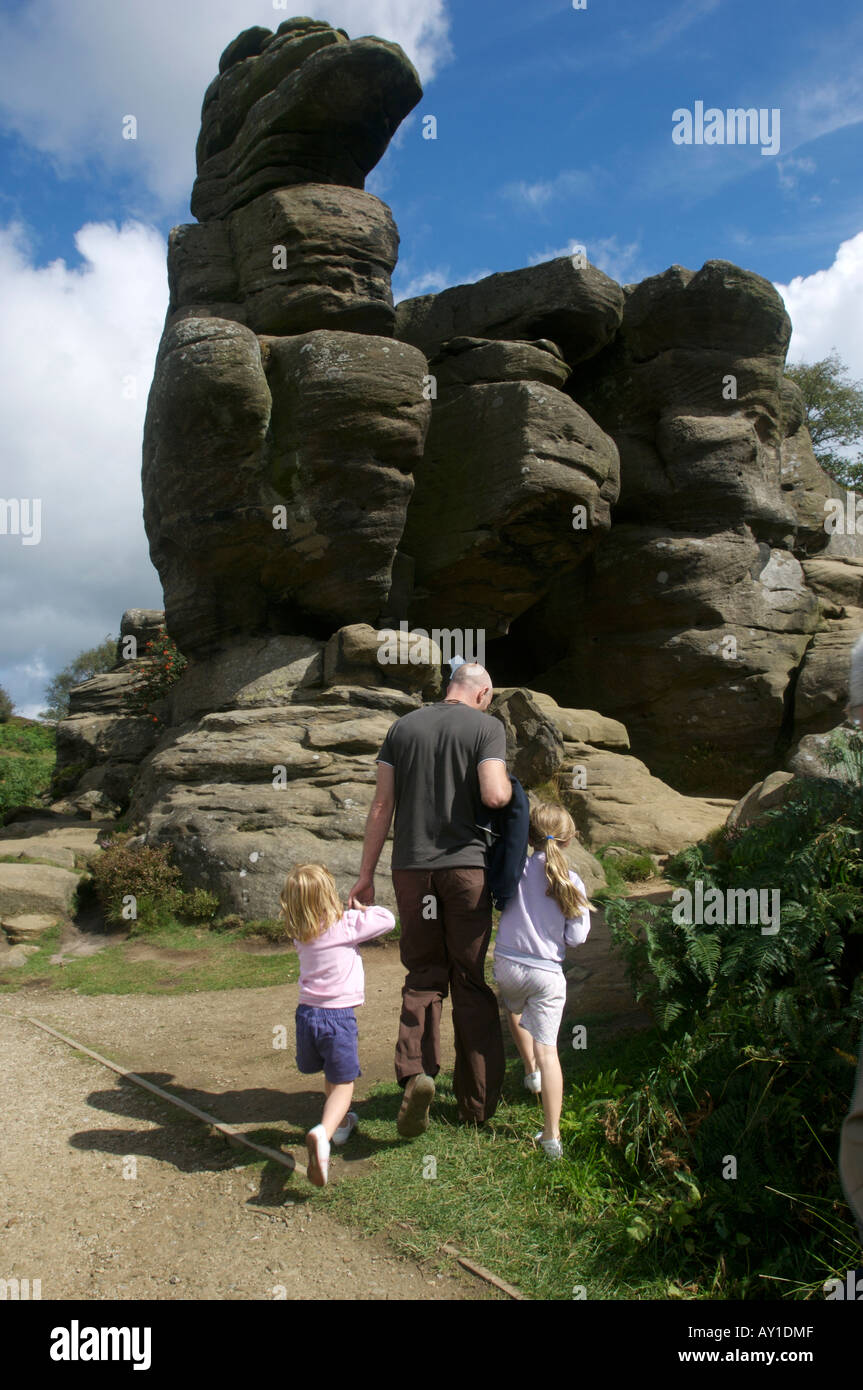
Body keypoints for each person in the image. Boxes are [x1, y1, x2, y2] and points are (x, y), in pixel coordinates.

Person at [348, 661, 511, 1134]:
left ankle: (417, 1074)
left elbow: (382, 804)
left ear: (448, 689)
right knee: (470, 979)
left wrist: (365, 875)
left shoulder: (402, 727)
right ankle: (476, 1106)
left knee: (423, 974)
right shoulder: (486, 727)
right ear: (483, 694)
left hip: (412, 871)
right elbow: (495, 795)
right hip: (466, 870)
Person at [279, 862, 395, 1186]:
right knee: (345, 1084)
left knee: (332, 1073)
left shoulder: (299, 934)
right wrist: (360, 908)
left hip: (307, 1016)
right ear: (329, 895)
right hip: (337, 1018)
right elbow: (388, 920)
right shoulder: (344, 924)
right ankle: (324, 1133)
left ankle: (341, 1124)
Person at [493, 801, 591, 1160]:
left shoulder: (515, 868)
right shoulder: (571, 879)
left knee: (513, 1007)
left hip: (508, 963)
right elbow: (577, 937)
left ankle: (529, 1071)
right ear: (568, 840)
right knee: (550, 1050)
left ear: (529, 835)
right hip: (547, 972)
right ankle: (552, 1137)